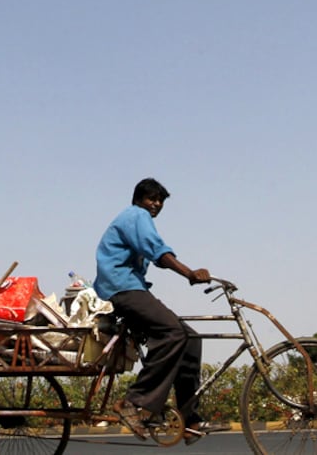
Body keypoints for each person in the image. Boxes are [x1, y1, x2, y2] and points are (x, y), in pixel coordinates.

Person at [94, 177, 227, 443]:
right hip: (121, 289)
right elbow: (158, 252)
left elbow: (155, 254)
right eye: (151, 199)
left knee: (190, 338)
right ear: (138, 199)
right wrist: (189, 273)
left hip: (134, 288)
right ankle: (133, 402)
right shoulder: (135, 215)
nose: (155, 204)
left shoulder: (139, 218)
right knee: (173, 332)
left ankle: (189, 420)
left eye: (160, 201)